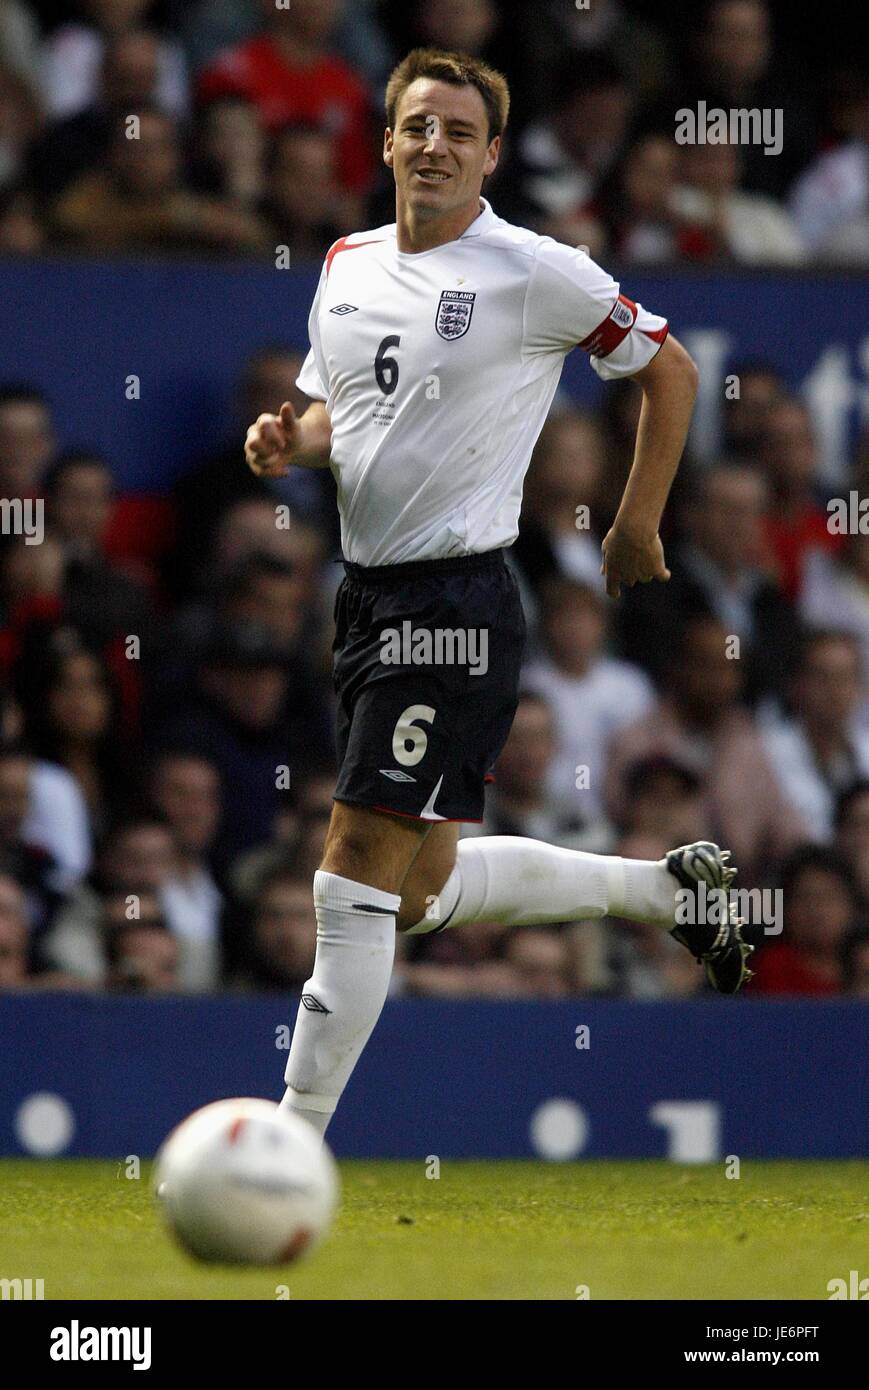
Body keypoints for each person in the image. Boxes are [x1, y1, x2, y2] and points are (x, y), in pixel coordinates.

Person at [244, 47, 754, 1140]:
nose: (434, 147)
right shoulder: (345, 261)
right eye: (417, 127)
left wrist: (634, 519)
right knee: (416, 888)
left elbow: (664, 367)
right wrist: (289, 442)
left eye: (458, 133)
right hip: (367, 600)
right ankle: (665, 894)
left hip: (454, 605)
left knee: (349, 871)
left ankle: (288, 1141)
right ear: (385, 142)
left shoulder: (532, 269)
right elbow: (335, 412)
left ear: (487, 156)